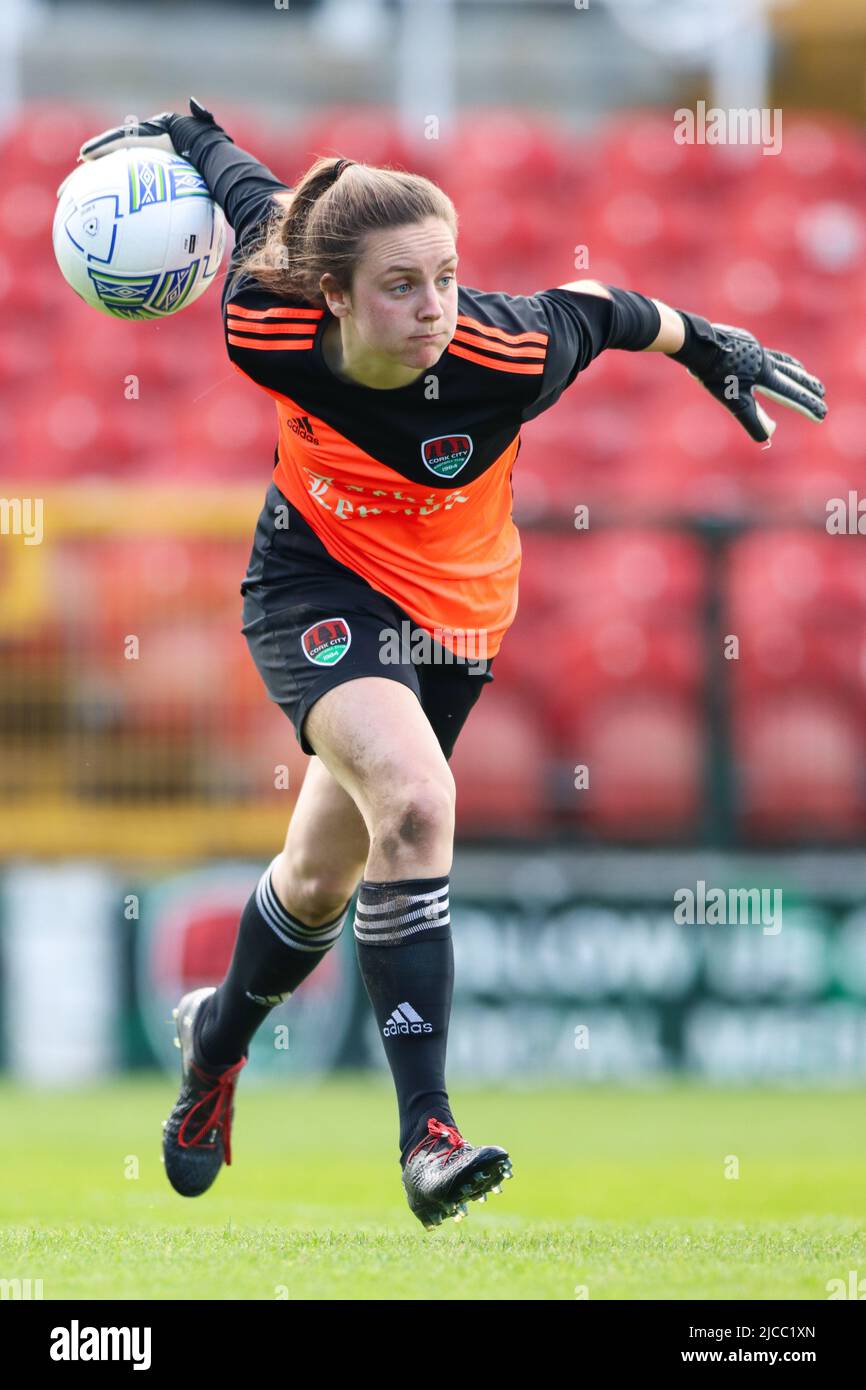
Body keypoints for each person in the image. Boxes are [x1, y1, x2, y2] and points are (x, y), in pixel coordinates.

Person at [76, 98, 827, 1230]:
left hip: (456, 615)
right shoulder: (260, 319)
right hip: (314, 582)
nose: (433, 307)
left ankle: (211, 1044)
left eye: (444, 275)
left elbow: (608, 308)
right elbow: (253, 197)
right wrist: (188, 131)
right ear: (332, 295)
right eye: (399, 286)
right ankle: (428, 1134)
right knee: (418, 805)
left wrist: (706, 344)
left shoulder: (503, 349)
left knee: (322, 878)